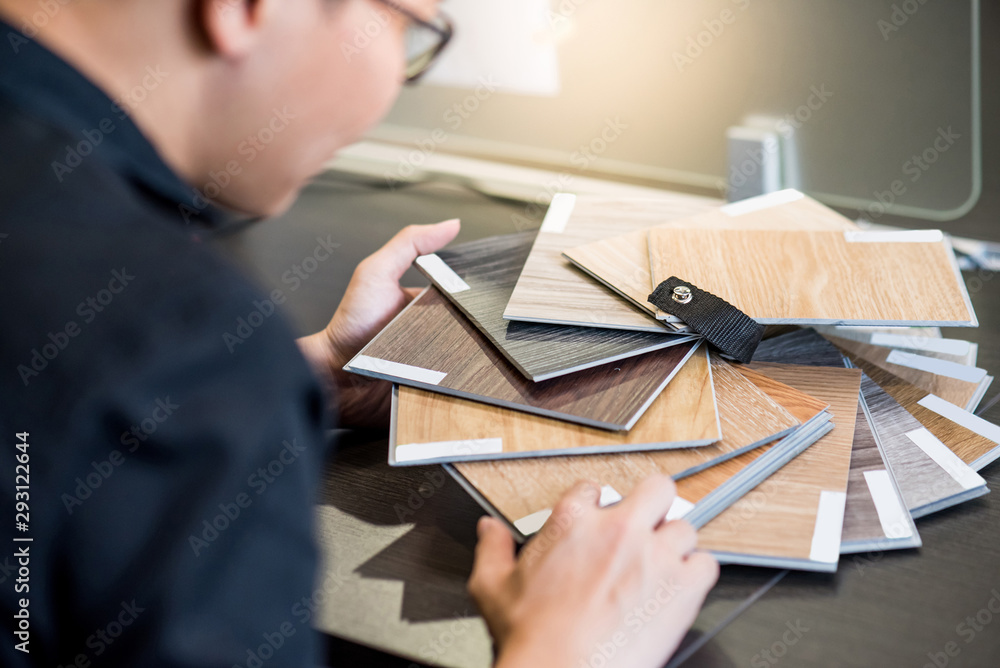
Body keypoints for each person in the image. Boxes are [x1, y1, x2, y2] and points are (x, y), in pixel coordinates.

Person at [0, 0, 719, 665]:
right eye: (414, 30)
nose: (395, 84)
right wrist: (563, 649)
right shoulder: (176, 328)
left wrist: (299, 375)